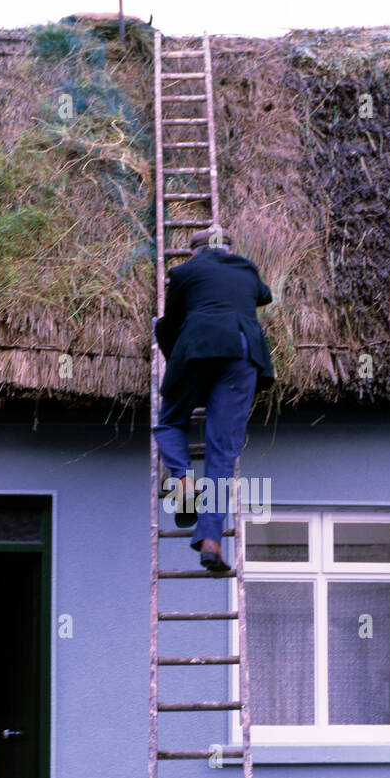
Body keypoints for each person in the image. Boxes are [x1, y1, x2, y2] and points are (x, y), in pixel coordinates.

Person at [153, 225, 274, 571]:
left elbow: (170, 322)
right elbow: (264, 295)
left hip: (197, 350)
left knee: (171, 422)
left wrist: (177, 365)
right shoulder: (247, 269)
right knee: (222, 455)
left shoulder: (184, 272)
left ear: (195, 252)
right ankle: (211, 541)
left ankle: (183, 479)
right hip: (242, 355)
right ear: (229, 251)